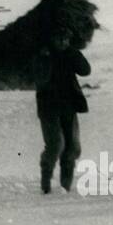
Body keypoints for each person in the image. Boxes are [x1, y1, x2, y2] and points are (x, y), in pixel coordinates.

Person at [35, 31, 91, 194]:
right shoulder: (41, 55)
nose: (62, 42)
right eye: (58, 38)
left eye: (65, 39)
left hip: (69, 105)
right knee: (55, 145)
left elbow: (85, 70)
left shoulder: (70, 53)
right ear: (51, 39)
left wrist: (73, 52)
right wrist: (45, 57)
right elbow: (41, 78)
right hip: (49, 107)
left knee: (72, 147)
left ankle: (65, 186)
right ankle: (46, 182)